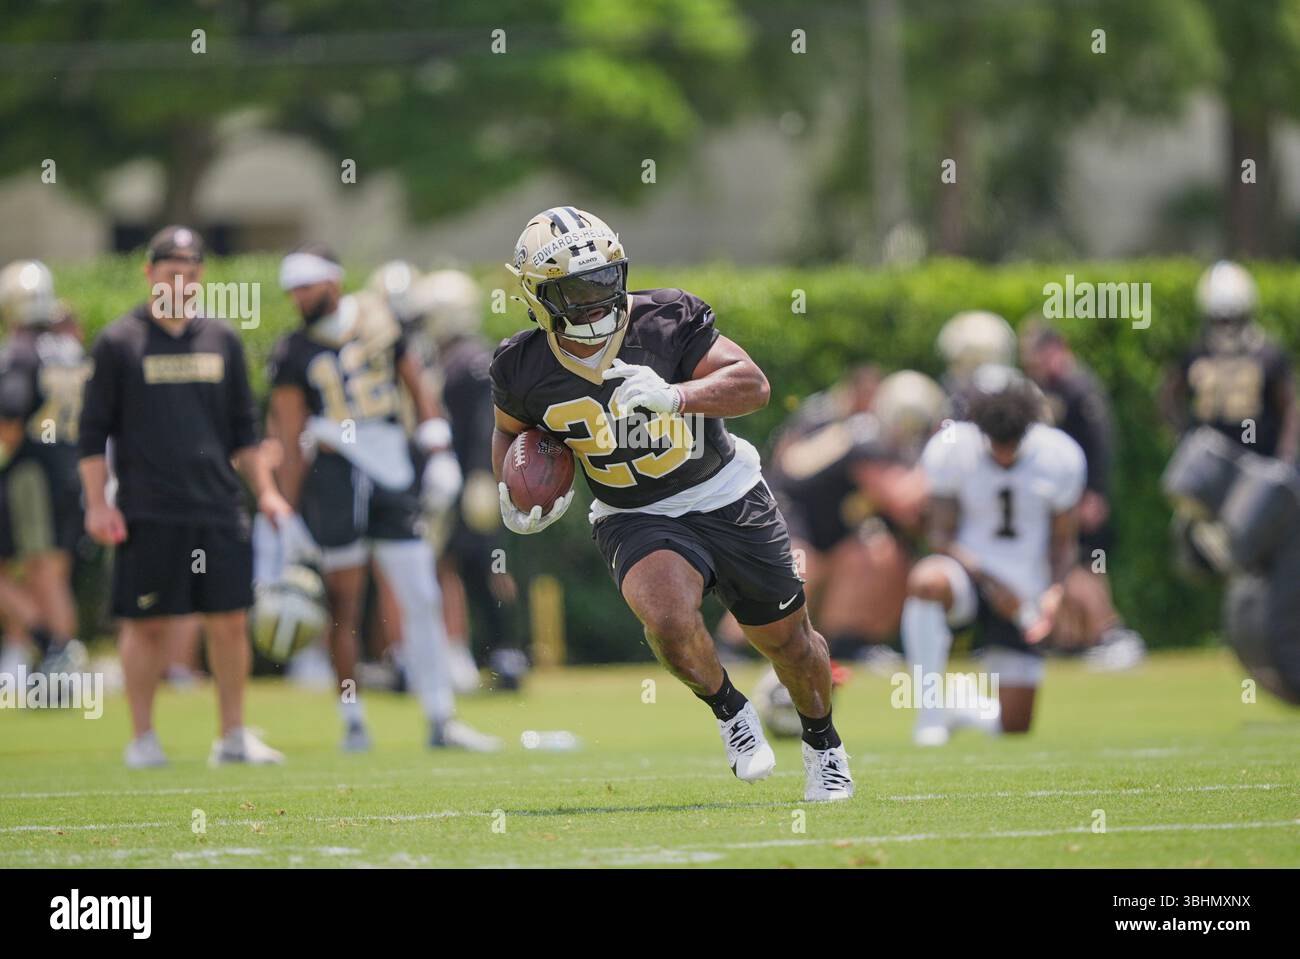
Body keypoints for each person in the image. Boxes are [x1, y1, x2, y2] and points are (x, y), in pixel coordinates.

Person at [491, 206, 852, 801]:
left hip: (724, 491)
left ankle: (824, 744)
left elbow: (752, 384)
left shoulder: (666, 319)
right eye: (574, 292)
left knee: (789, 642)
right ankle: (731, 711)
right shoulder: (521, 365)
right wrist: (511, 489)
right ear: (538, 296)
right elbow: (510, 431)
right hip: (633, 512)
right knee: (665, 617)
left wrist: (678, 395)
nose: (594, 302)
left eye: (603, 282)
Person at [267, 244, 498, 752]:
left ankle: (441, 716)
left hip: (392, 468)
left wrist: (438, 451)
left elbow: (420, 389)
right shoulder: (292, 351)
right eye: (294, 290)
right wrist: (288, 509)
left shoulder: (378, 321)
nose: (300, 297)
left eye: (308, 286)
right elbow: (286, 436)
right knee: (342, 603)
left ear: (333, 281)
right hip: (334, 473)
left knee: (422, 593)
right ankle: (351, 718)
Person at [78, 225, 291, 768]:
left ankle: (233, 737)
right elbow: (90, 434)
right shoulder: (118, 342)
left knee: (229, 620)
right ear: (149, 274)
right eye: (172, 271)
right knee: (145, 623)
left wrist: (266, 494)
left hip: (218, 507)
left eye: (192, 273)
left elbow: (245, 433)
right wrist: (98, 504)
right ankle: (143, 739)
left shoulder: (222, 338)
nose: (182, 281)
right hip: (147, 509)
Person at [902, 365, 1085, 745]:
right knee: (926, 581)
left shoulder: (1060, 456)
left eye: (1012, 442)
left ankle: (962, 707)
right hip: (969, 574)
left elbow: (1065, 540)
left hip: (1026, 589)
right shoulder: (953, 447)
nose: (1003, 452)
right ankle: (930, 715)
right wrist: (988, 581)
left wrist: (1054, 592)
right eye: (995, 441)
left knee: (1015, 727)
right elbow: (938, 535)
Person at [1020, 321, 1145, 669]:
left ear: (1057, 348)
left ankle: (1111, 633)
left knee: (1087, 565)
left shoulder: (1079, 388)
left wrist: (1096, 492)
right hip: (1058, 499)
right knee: (1062, 565)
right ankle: (1071, 638)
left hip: (1081, 497)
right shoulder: (1044, 389)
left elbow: (1101, 444)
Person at [0, 261, 91, 678]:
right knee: (55, 571)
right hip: (72, 469)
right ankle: (61, 659)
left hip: (34, 473)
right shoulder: (70, 349)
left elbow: (11, 420)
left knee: (41, 569)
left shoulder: (21, 350)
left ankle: (54, 648)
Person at [1161, 261, 1298, 463]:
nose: (1227, 327)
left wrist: (1285, 455)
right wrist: (1182, 437)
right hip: (1208, 467)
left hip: (1258, 464)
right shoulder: (1198, 353)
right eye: (1220, 319)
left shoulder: (1267, 354)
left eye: (1234, 317)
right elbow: (1169, 394)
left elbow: (1289, 406)